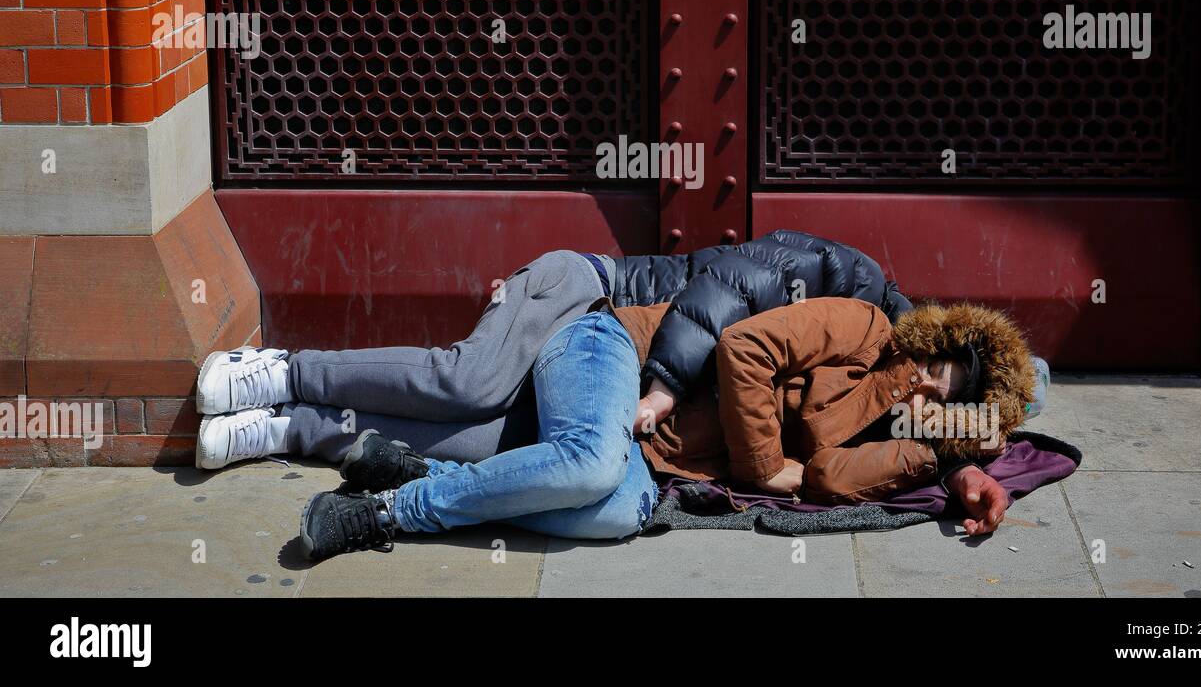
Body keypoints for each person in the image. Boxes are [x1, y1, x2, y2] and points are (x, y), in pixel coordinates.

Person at [294, 294, 1036, 559]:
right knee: (588, 466)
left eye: (954, 398)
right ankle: (388, 513)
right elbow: (746, 347)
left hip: (657, 460)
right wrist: (760, 464)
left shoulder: (897, 437)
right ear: (937, 339)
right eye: (945, 369)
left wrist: (929, 451)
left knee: (615, 514)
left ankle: (421, 474)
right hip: (619, 352)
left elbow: (824, 478)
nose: (937, 388)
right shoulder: (865, 325)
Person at [193, 230, 913, 470]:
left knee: (484, 445)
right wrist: (664, 387)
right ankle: (282, 370)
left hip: (598, 371)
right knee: (471, 383)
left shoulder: (867, 387)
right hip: (586, 291)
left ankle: (289, 427)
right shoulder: (850, 282)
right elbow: (726, 288)